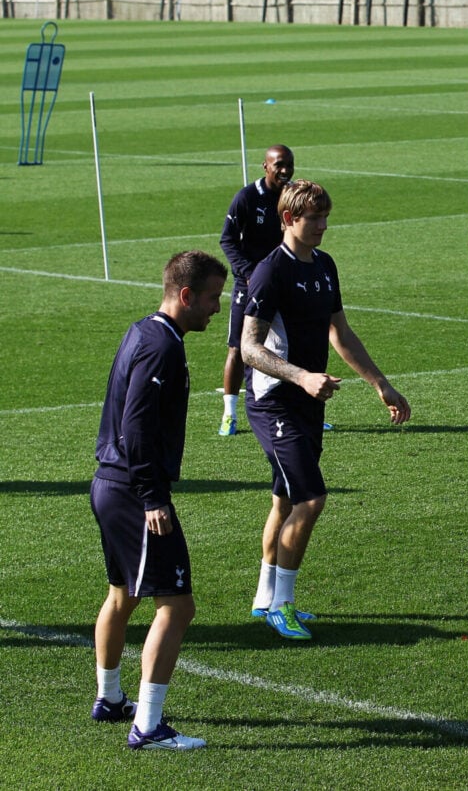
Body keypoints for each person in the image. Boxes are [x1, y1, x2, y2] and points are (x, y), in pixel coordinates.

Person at [241, 180, 411, 641]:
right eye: (314, 218)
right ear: (288, 219)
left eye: (325, 217)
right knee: (311, 499)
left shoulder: (324, 265)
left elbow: (341, 332)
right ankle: (283, 605)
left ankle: (264, 597)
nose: (323, 226)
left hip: (309, 400)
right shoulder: (270, 272)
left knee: (284, 498)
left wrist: (381, 383)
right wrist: (301, 376)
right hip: (274, 401)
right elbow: (248, 348)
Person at [91, 250, 228, 750]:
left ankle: (110, 699)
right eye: (212, 297)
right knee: (177, 605)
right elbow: (137, 426)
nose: (218, 307)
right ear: (186, 295)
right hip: (135, 491)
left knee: (122, 595)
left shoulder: (142, 331)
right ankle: (147, 726)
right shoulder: (162, 347)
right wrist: (153, 498)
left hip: (110, 484)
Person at [218, 144, 295, 436]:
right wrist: (249, 273)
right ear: (265, 166)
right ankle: (229, 414)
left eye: (289, 164)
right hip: (249, 284)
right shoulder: (247, 197)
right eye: (279, 165)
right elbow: (227, 240)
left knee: (291, 345)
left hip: (284, 282)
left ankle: (295, 410)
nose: (285, 170)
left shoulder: (293, 196)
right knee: (239, 347)